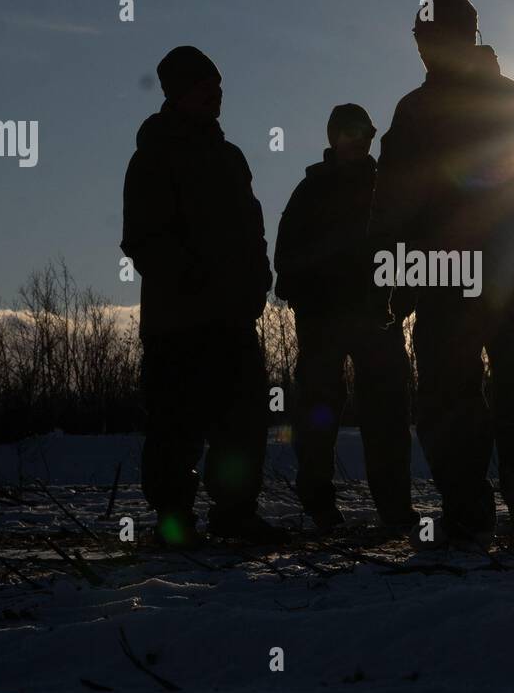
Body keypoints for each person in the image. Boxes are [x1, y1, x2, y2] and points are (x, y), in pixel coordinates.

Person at [367, 0, 514, 543]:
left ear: (465, 38)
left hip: (508, 275)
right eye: (420, 40)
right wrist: (394, 277)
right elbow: (393, 201)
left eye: (434, 39)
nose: (425, 50)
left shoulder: (513, 103)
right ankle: (471, 509)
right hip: (445, 276)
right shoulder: (416, 110)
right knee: (450, 394)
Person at [121, 45, 286, 547]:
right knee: (176, 422)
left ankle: (235, 512)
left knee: (244, 419)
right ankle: (173, 519)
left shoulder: (230, 158)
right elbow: (143, 239)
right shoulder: (153, 156)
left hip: (233, 318)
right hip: (179, 321)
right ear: (177, 92)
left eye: (217, 87)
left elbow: (252, 227)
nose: (215, 96)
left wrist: (258, 278)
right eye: (203, 87)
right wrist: (192, 281)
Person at [274, 104, 416, 533]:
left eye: (368, 132)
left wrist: (401, 300)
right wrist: (308, 296)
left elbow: (406, 248)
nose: (362, 139)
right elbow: (287, 258)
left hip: (378, 319)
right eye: (353, 131)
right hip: (323, 321)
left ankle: (395, 510)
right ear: (335, 135)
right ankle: (319, 505)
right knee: (318, 411)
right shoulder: (309, 191)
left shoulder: (385, 188)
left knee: (388, 413)